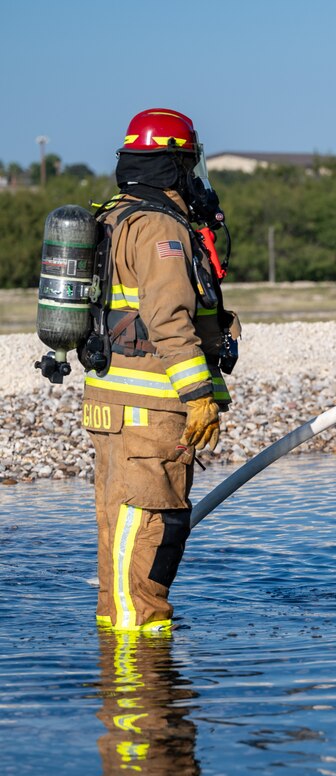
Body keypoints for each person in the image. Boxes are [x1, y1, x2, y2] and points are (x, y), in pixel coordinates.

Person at [83, 108, 238, 633]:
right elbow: (168, 317)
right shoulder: (159, 227)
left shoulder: (115, 216)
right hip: (150, 407)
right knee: (150, 522)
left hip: (112, 402)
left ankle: (119, 630)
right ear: (175, 165)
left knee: (120, 521)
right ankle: (138, 665)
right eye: (189, 166)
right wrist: (198, 395)